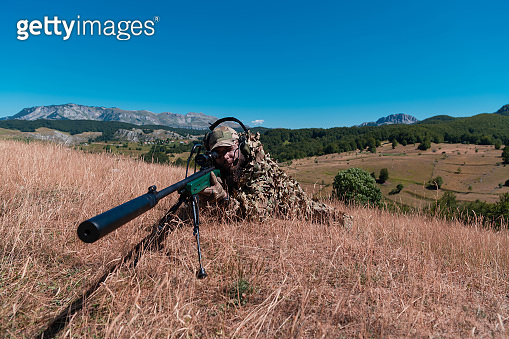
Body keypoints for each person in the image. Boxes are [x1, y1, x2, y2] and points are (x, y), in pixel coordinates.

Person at [199, 125, 352, 227]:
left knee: (329, 217)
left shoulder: (258, 168)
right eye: (217, 153)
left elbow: (256, 215)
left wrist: (224, 198)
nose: (225, 157)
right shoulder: (222, 166)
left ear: (240, 145)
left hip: (289, 201)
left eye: (228, 149)